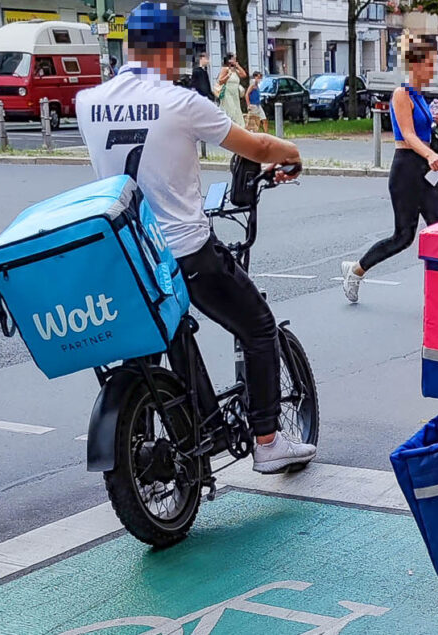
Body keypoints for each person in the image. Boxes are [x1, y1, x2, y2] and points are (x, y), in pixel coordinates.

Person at [76, 1, 315, 475]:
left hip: (128, 252)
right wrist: (292, 152)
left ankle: (186, 430)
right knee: (259, 327)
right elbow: (258, 146)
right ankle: (267, 441)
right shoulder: (182, 102)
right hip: (184, 249)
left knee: (160, 336)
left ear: (128, 45)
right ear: (171, 51)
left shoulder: (89, 102)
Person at [340, 33, 438, 303]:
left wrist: (435, 123)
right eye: (430, 65)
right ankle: (356, 270)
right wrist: (430, 153)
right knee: (403, 237)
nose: (433, 70)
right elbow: (408, 136)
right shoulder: (401, 93)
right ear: (416, 66)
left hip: (424, 169)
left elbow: (422, 131)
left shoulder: (420, 96)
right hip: (407, 170)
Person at [216, 53, 247, 127]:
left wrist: (237, 66)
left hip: (235, 93)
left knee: (237, 110)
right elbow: (220, 81)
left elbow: (244, 75)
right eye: (233, 59)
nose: (235, 60)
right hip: (228, 92)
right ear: (229, 60)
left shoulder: (235, 70)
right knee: (231, 110)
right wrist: (227, 76)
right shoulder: (225, 69)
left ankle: (238, 127)